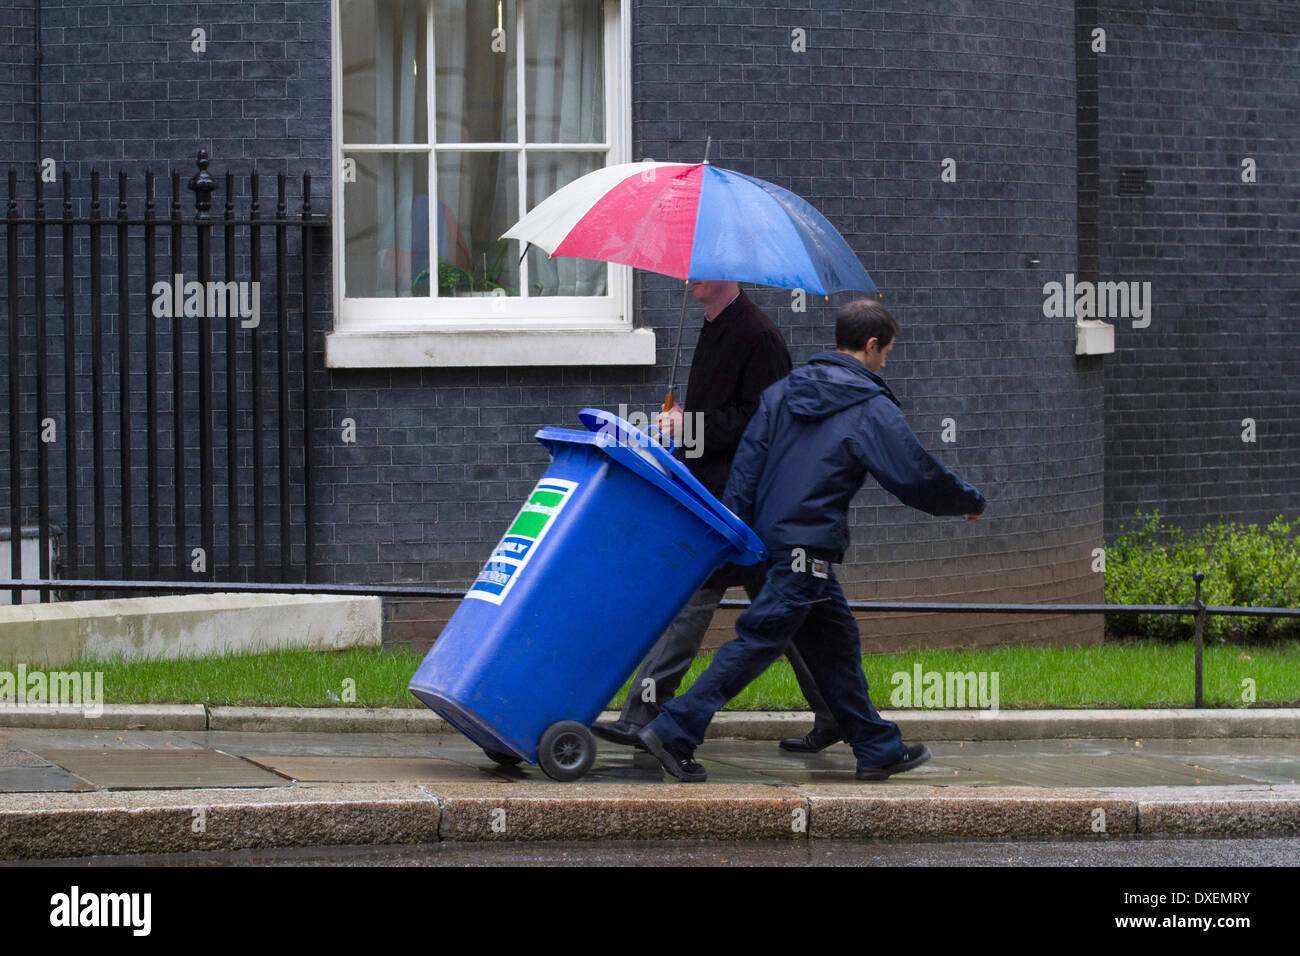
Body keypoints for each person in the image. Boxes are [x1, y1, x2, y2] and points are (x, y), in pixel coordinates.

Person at [637, 298, 987, 782]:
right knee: (758, 641)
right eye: (885, 352)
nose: (885, 361)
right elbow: (914, 475)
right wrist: (967, 501)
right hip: (807, 548)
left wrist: (735, 530)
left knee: (836, 642)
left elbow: (747, 466)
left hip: (770, 540)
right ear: (870, 346)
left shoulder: (782, 393)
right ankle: (675, 728)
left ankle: (874, 744)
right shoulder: (868, 406)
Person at [592, 279, 843, 753]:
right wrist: (682, 420)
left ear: (729, 274)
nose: (689, 279)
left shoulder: (759, 336)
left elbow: (768, 421)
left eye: (700, 269)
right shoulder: (711, 327)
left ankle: (641, 714)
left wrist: (694, 425)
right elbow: (719, 413)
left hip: (743, 502)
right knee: (784, 615)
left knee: (695, 599)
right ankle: (836, 711)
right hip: (712, 493)